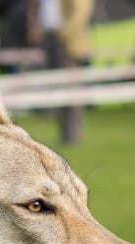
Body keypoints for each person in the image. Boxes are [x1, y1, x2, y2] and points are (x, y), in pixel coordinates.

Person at [33, 0, 94, 143]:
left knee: (69, 89)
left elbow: (80, 12)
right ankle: (64, 132)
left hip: (66, 42)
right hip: (50, 38)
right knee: (57, 89)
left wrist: (64, 32)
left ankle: (72, 133)